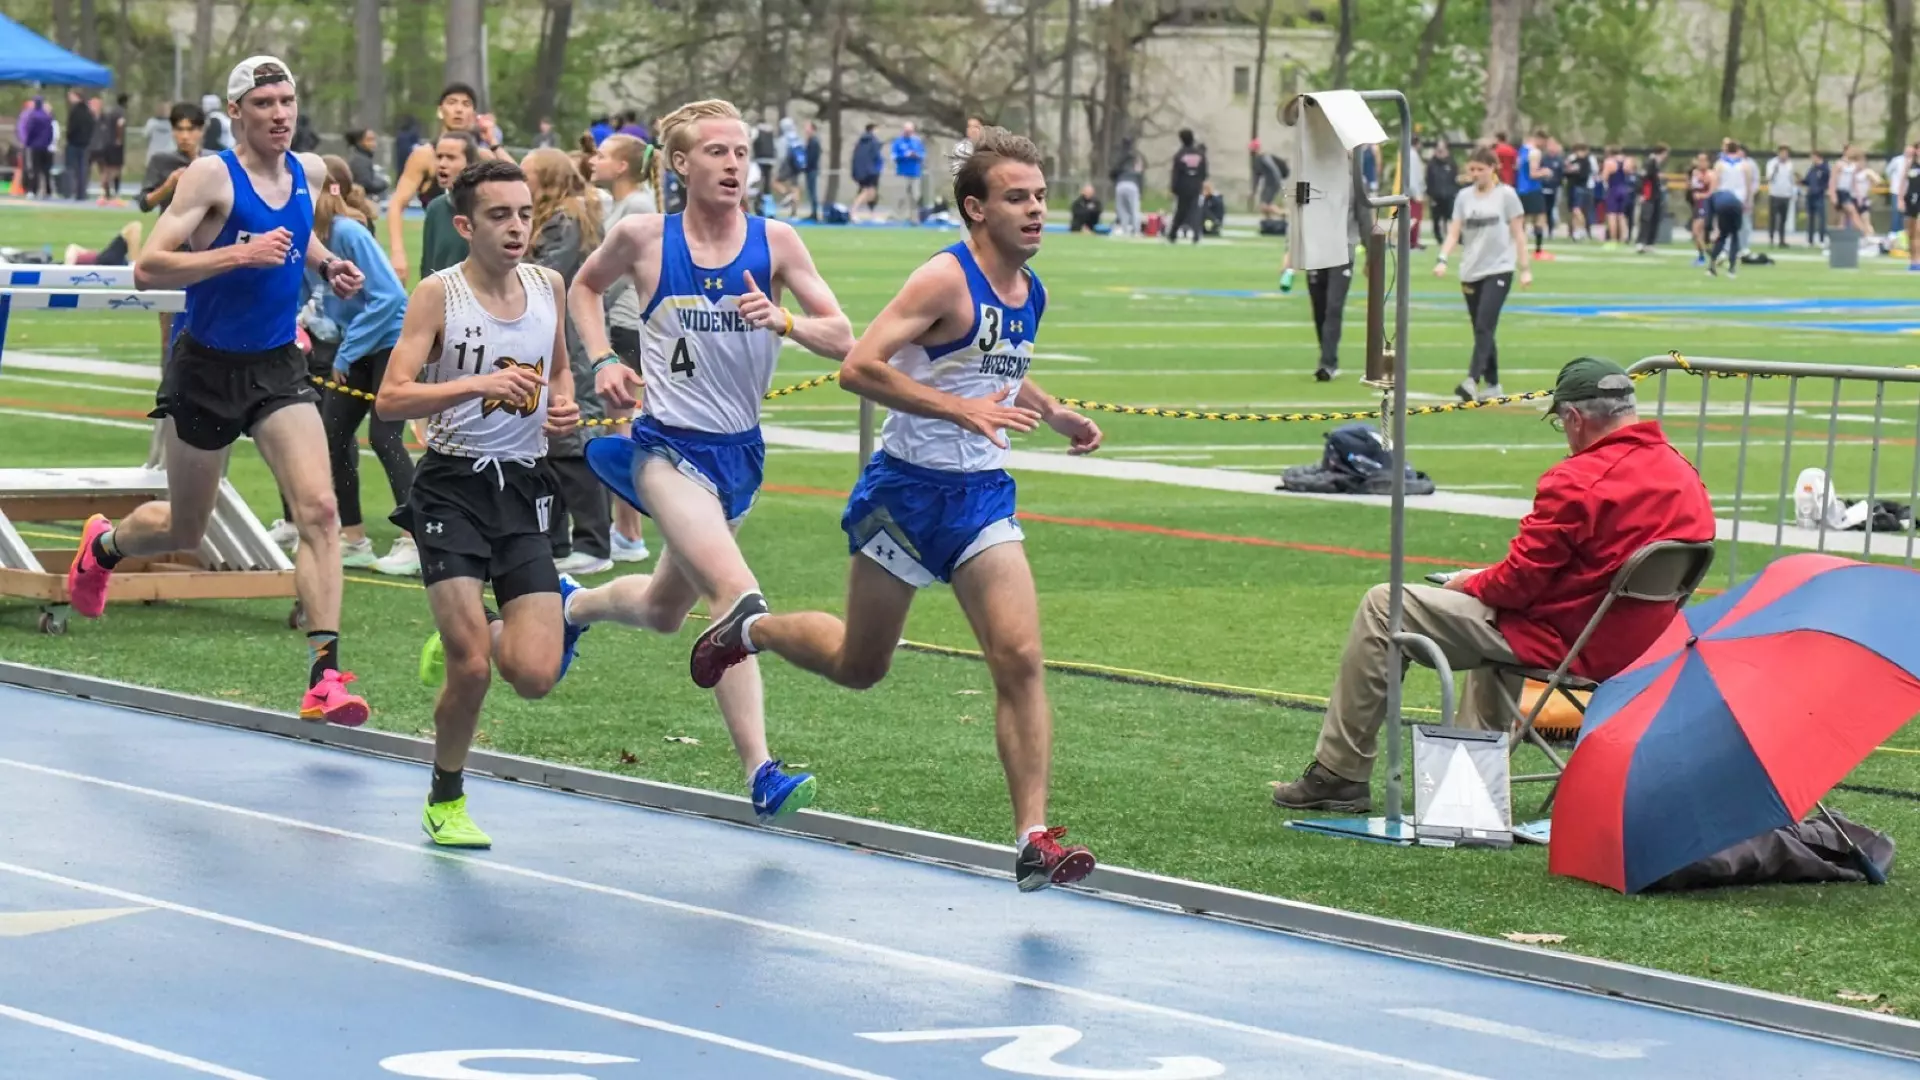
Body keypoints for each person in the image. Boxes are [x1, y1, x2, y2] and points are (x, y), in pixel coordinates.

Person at [710, 128, 1105, 893]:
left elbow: (996, 365)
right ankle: (748, 628)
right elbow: (859, 366)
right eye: (1017, 198)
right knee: (861, 667)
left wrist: (1053, 412)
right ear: (975, 209)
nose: (1035, 212)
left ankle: (1034, 838)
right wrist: (958, 413)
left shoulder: (1032, 289)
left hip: (981, 499)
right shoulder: (942, 280)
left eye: (1041, 197)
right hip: (902, 494)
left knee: (1020, 657)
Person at [561, 98, 855, 821]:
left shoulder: (777, 242)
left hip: (739, 457)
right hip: (665, 451)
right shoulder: (642, 238)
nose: (732, 165)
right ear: (680, 165)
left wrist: (784, 318)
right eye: (717, 152)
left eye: (742, 153)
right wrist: (601, 359)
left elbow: (845, 336)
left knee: (665, 611)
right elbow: (584, 287)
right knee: (736, 599)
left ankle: (575, 605)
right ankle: (762, 771)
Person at [66, 56, 372, 725]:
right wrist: (240, 252)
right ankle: (103, 547)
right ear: (235, 112)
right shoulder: (211, 174)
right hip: (205, 368)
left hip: (275, 368)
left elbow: (299, 237)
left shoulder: (309, 171)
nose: (280, 114)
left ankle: (326, 675)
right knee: (186, 528)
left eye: (287, 100)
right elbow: (149, 267)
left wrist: (328, 264)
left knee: (319, 510)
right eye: (264, 102)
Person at [1271, 357, 1715, 812]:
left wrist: (1469, 580)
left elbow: (1514, 588)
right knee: (1491, 628)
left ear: (1575, 419)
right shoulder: (1685, 475)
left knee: (1384, 605)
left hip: (1567, 641)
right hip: (1644, 650)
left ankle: (1339, 772)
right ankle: (1462, 791)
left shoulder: (1579, 479)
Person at [378, 160, 580, 849]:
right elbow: (391, 398)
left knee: (534, 675)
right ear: (465, 225)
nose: (517, 226)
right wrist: (477, 385)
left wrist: (562, 409)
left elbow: (559, 374)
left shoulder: (549, 285)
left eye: (524, 213)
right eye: (500, 215)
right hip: (452, 484)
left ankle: (473, 624)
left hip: (523, 486)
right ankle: (446, 796)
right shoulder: (440, 295)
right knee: (471, 668)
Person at [306, 155, 417, 577]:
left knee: (385, 436)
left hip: (389, 342)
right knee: (332, 437)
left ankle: (415, 538)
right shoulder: (307, 237)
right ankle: (354, 539)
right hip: (352, 346)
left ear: (328, 190)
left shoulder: (348, 233)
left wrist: (347, 351)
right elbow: (307, 298)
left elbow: (390, 298)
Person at [520, 147, 613, 576]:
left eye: (528, 175)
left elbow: (544, 272)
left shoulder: (568, 218)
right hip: (552, 334)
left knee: (573, 434)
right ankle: (557, 538)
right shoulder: (562, 215)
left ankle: (594, 541)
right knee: (552, 440)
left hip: (571, 336)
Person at [587, 133, 660, 564]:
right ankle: (625, 529)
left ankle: (630, 533)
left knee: (624, 425)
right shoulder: (620, 203)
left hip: (630, 322)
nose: (593, 160)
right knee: (621, 422)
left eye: (601, 155)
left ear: (621, 167)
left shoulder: (637, 207)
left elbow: (615, 274)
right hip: (622, 317)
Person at [387, 84, 511, 281]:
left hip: (478, 251)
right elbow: (397, 204)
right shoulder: (424, 156)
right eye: (452, 103)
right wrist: (397, 252)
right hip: (440, 249)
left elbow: (519, 182)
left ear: (474, 113)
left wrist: (493, 141)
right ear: (440, 110)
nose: (459, 109)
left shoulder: (482, 156)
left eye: (466, 104)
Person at [1434, 147, 1530, 403]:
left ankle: (1472, 380)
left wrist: (1525, 268)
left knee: (1485, 325)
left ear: (1492, 168)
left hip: (1499, 268)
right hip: (1470, 270)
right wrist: (1442, 258)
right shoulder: (1464, 197)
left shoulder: (1506, 195)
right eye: (1472, 169)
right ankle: (1494, 383)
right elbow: (1455, 232)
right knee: (1481, 329)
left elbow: (1519, 233)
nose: (1475, 174)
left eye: (1480, 169)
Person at [418, 132, 485, 281]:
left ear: (470, 163)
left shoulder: (486, 208)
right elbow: (428, 265)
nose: (442, 164)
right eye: (439, 157)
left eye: (451, 157)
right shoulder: (435, 208)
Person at [1706, 141, 1753, 277]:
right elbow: (1748, 185)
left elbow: (1714, 184)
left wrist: (1713, 203)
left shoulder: (1720, 164)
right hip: (1737, 201)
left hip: (1722, 199)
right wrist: (1749, 201)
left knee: (1722, 234)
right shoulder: (1745, 165)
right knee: (1735, 235)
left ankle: (1712, 266)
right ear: (1738, 150)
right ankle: (1732, 268)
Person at [1514, 129, 1550, 256]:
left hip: (1521, 188)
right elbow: (1533, 174)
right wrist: (1545, 172)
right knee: (1539, 219)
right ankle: (1538, 250)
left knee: (1521, 220)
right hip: (1533, 188)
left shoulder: (1522, 150)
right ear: (1540, 139)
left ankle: (1520, 248)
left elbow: (1517, 168)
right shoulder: (1535, 152)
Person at [1168, 129, 1207, 244]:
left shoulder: (1180, 155)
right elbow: (1204, 172)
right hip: (1195, 185)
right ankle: (1196, 235)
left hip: (1183, 185)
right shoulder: (1200, 155)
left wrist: (1174, 187)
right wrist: (1199, 181)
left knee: (1180, 210)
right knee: (1194, 210)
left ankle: (1172, 234)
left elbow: (1176, 173)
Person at [92, 92, 128, 204]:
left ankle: (104, 193)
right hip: (115, 145)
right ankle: (114, 192)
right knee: (116, 169)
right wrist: (119, 139)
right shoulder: (120, 112)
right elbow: (120, 124)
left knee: (106, 169)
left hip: (106, 144)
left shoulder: (111, 112)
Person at [1634, 143, 1669, 254]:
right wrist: (1641, 194)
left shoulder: (1657, 164)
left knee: (1655, 219)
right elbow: (1642, 178)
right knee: (1646, 219)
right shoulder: (1649, 162)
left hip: (1656, 195)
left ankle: (1650, 243)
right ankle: (1641, 242)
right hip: (1648, 196)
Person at [891, 121, 926, 221]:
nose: (909, 132)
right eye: (907, 130)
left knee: (915, 196)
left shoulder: (917, 141)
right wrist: (904, 155)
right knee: (901, 196)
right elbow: (894, 156)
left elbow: (923, 155)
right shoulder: (898, 142)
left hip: (915, 173)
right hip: (902, 173)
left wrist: (916, 155)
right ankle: (899, 217)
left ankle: (914, 218)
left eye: (910, 131)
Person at [64, 89, 95, 200]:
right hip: (85, 144)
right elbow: (92, 126)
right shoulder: (88, 111)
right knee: (83, 169)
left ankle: (73, 191)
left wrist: (69, 137)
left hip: (75, 143)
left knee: (73, 169)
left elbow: (72, 127)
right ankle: (82, 192)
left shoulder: (75, 111)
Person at [1110, 138, 1145, 237]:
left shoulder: (1119, 157)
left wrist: (1116, 181)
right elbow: (1139, 173)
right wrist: (1141, 190)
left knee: (1122, 210)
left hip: (1120, 184)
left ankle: (1125, 230)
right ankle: (1136, 231)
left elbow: (1113, 171)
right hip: (1132, 184)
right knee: (1134, 209)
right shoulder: (1136, 157)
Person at [1426, 140, 1459, 242]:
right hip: (1436, 196)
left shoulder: (1451, 163)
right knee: (1436, 219)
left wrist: (1454, 191)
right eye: (1438, 150)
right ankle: (1439, 237)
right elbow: (1429, 180)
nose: (1440, 152)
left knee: (1452, 217)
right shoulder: (1432, 164)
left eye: (1442, 150)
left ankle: (1457, 236)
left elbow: (1454, 178)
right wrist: (1430, 195)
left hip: (1449, 195)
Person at [344, 127, 390, 198]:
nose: (374, 144)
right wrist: (385, 182)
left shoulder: (360, 157)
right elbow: (366, 186)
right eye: (369, 140)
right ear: (359, 141)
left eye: (374, 140)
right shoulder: (360, 160)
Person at [1765, 145, 1797, 248]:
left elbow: (1791, 180)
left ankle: (1782, 240)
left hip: (1785, 194)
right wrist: (1775, 170)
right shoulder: (1772, 163)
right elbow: (1769, 178)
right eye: (1782, 153)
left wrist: (1792, 192)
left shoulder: (1790, 164)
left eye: (1786, 153)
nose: (1784, 155)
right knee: (1773, 218)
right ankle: (1771, 239)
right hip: (1774, 194)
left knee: (1783, 219)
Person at [1686, 151, 1714, 265]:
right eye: (1699, 160)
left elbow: (1711, 192)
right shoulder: (1694, 172)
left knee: (1697, 230)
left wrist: (1702, 194)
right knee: (1696, 233)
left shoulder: (1711, 174)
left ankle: (1711, 255)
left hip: (1705, 204)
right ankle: (1703, 256)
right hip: (1696, 204)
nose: (1701, 163)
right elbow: (1692, 187)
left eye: (1703, 160)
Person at [850, 122, 883, 220]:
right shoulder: (873, 142)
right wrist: (875, 169)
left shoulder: (860, 142)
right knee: (865, 192)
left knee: (872, 192)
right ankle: (853, 212)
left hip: (863, 171)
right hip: (869, 171)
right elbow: (875, 157)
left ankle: (872, 213)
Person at [1561, 142, 1592, 241]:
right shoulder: (1573, 161)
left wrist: (1573, 172)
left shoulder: (1586, 162)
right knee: (1573, 211)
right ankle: (1575, 231)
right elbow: (1566, 172)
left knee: (1577, 210)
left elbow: (1582, 175)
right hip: (1571, 187)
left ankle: (1582, 229)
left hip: (1580, 187)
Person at [1803, 149, 1831, 247]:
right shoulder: (1812, 169)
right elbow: (1807, 180)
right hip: (1810, 195)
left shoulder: (1825, 168)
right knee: (1810, 218)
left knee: (1821, 218)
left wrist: (1823, 189)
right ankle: (1810, 240)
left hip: (1820, 195)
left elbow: (1827, 181)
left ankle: (1822, 239)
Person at [1903, 139, 1920, 272]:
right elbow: (1902, 182)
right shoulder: (1910, 164)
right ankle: (1913, 260)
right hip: (1910, 199)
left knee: (1919, 231)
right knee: (1911, 232)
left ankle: (1918, 259)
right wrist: (1899, 199)